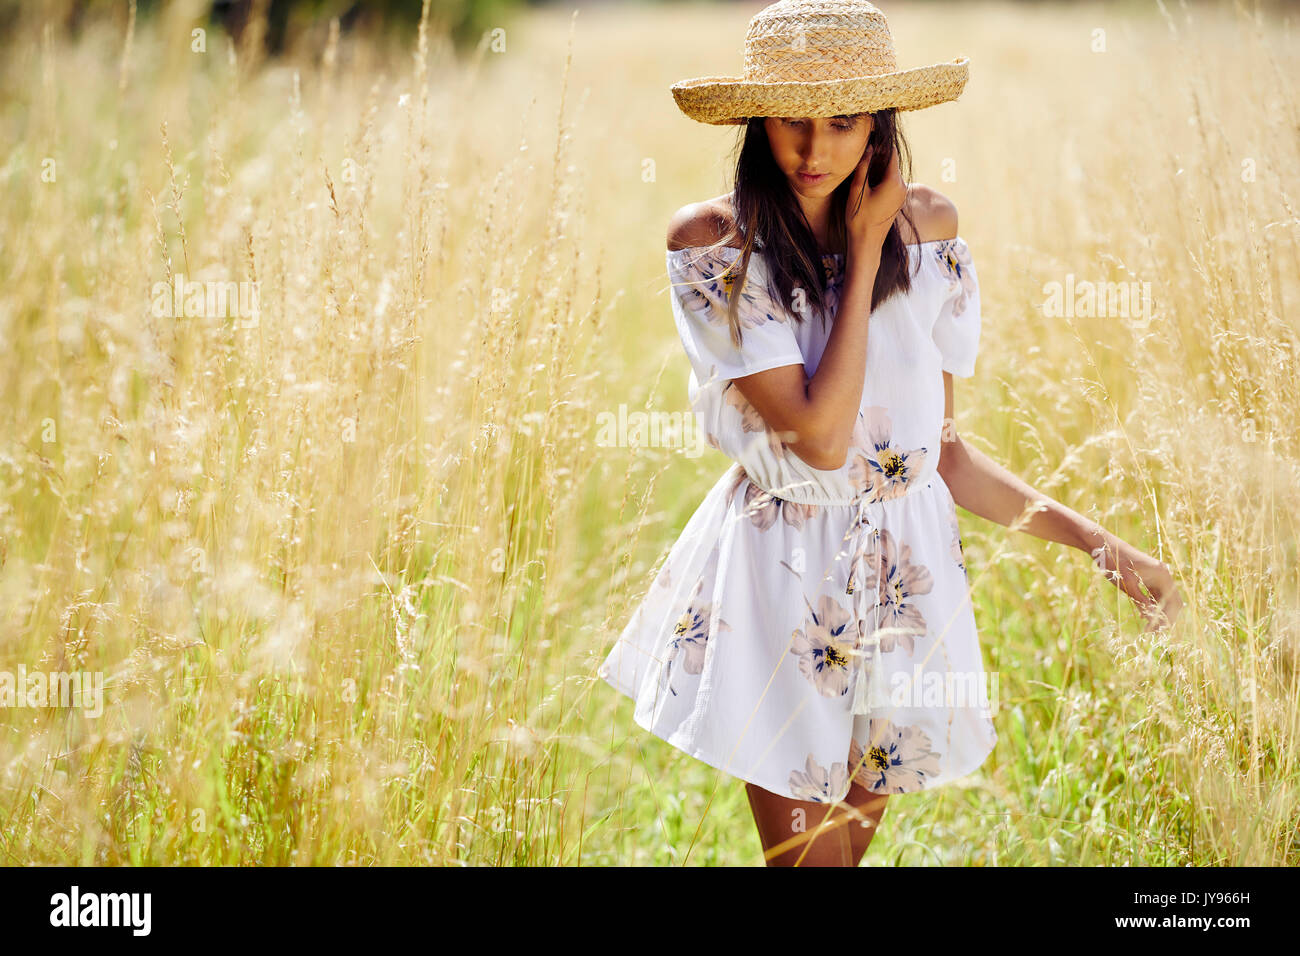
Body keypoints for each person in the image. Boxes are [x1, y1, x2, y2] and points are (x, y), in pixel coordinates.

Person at [598, 0, 1182, 867]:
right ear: (758, 120)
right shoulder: (719, 243)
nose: (814, 148)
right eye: (793, 119)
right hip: (782, 576)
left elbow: (941, 455)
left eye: (843, 121)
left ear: (879, 123)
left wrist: (1104, 549)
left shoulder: (934, 230)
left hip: (909, 573)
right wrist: (866, 250)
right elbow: (823, 441)